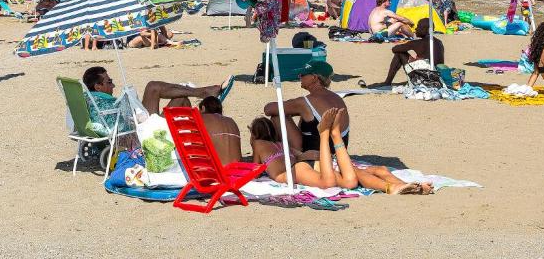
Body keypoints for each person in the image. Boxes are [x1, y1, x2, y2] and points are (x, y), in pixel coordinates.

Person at [249, 110, 428, 194]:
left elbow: (255, 169)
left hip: (291, 171)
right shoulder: (281, 144)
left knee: (328, 182)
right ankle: (398, 184)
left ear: (254, 134)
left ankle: (325, 134)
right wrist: (304, 156)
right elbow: (298, 155)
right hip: (305, 164)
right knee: (352, 178)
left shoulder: (258, 144)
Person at [80, 66, 229, 136]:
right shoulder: (101, 103)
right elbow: (120, 125)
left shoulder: (89, 99)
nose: (113, 85)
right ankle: (204, 98)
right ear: (97, 86)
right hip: (137, 133)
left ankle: (203, 97)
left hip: (136, 125)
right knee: (154, 87)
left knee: (178, 97)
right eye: (109, 82)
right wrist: (129, 100)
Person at [263, 60, 346, 161]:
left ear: (314, 78)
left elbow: (268, 109)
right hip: (339, 154)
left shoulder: (305, 102)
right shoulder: (337, 98)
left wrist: (291, 111)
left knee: (277, 116)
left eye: (302, 74)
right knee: (293, 115)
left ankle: (296, 156)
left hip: (316, 156)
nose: (299, 77)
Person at [377, 18, 444, 85]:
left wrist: (412, 55)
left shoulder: (417, 42)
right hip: (436, 77)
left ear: (425, 29)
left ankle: (387, 82)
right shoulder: (439, 42)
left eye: (418, 27)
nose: (415, 29)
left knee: (399, 53)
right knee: (417, 60)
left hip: (424, 77)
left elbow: (395, 49)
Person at [198, 96, 242, 165]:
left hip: (218, 172)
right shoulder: (231, 121)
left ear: (203, 108)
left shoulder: (203, 118)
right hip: (237, 170)